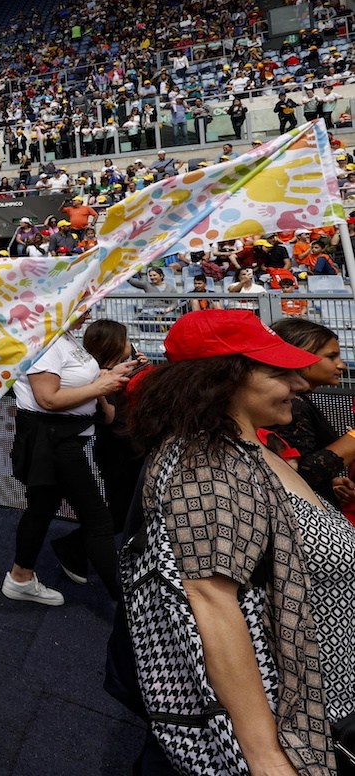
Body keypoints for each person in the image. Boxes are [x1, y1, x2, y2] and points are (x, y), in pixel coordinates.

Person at [125, 309, 355, 774]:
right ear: (222, 380)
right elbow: (209, 600)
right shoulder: (207, 463)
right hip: (296, 728)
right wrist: (266, 756)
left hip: (324, 701)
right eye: (277, 371)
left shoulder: (246, 448)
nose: (298, 382)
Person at [4, 312, 138, 604]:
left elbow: (72, 385)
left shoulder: (63, 337)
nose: (90, 311)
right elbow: (48, 398)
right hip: (53, 442)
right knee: (100, 521)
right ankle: (130, 607)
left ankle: (20, 577)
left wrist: (103, 381)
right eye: (83, 303)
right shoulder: (46, 342)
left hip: (63, 439)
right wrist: (100, 387)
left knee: (41, 508)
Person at [268, 318, 355, 511]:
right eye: (331, 357)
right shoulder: (291, 406)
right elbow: (295, 474)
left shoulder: (300, 402)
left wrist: (331, 483)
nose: (342, 366)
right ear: (301, 355)